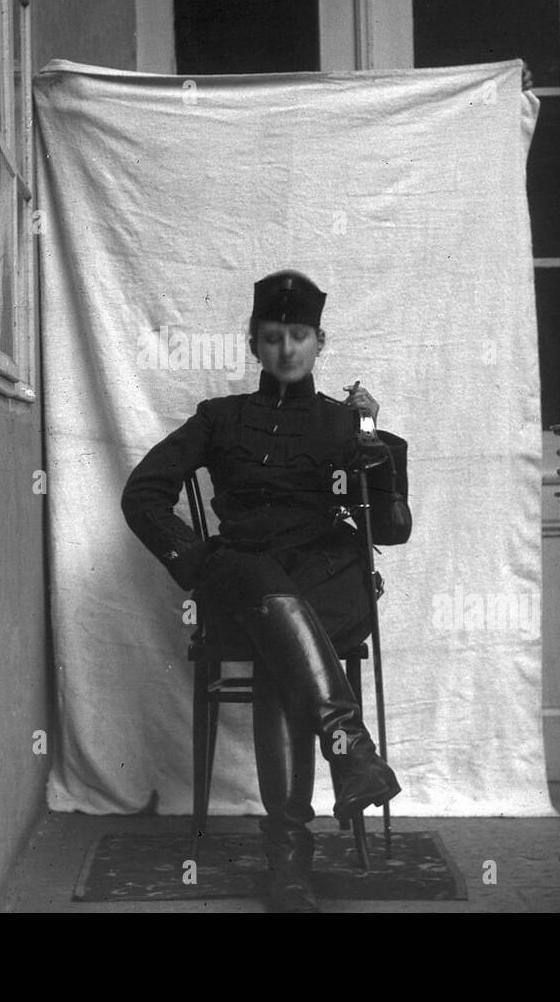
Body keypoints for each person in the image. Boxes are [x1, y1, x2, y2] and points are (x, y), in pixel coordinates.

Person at [121, 270, 411, 913]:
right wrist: (197, 560)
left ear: (319, 342)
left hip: (326, 583)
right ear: (253, 344)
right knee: (259, 587)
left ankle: (291, 858)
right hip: (245, 580)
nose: (286, 349)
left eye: (299, 336)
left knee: (279, 632)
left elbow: (392, 530)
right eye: (273, 337)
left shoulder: (346, 423)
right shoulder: (219, 419)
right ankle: (352, 755)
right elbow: (142, 494)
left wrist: (372, 439)